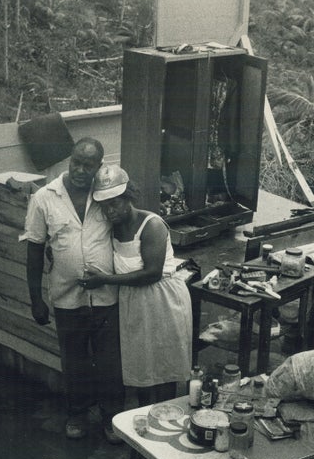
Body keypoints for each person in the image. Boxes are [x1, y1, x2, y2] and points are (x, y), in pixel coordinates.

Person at [20, 137, 125, 443]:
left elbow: (129, 221)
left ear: (99, 167)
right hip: (66, 296)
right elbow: (34, 250)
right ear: (69, 159)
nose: (80, 170)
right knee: (74, 360)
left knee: (110, 361)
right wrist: (35, 299)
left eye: (88, 166)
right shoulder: (44, 198)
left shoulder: (107, 194)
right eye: (76, 162)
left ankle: (111, 418)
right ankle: (77, 414)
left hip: (107, 295)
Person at [79, 165, 192, 406]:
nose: (109, 211)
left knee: (164, 364)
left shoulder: (151, 225)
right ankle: (142, 414)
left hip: (162, 300)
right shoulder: (112, 227)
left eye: (115, 203)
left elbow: (152, 273)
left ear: (128, 197)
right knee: (142, 365)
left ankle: (165, 413)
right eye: (104, 205)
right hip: (134, 302)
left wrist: (104, 279)